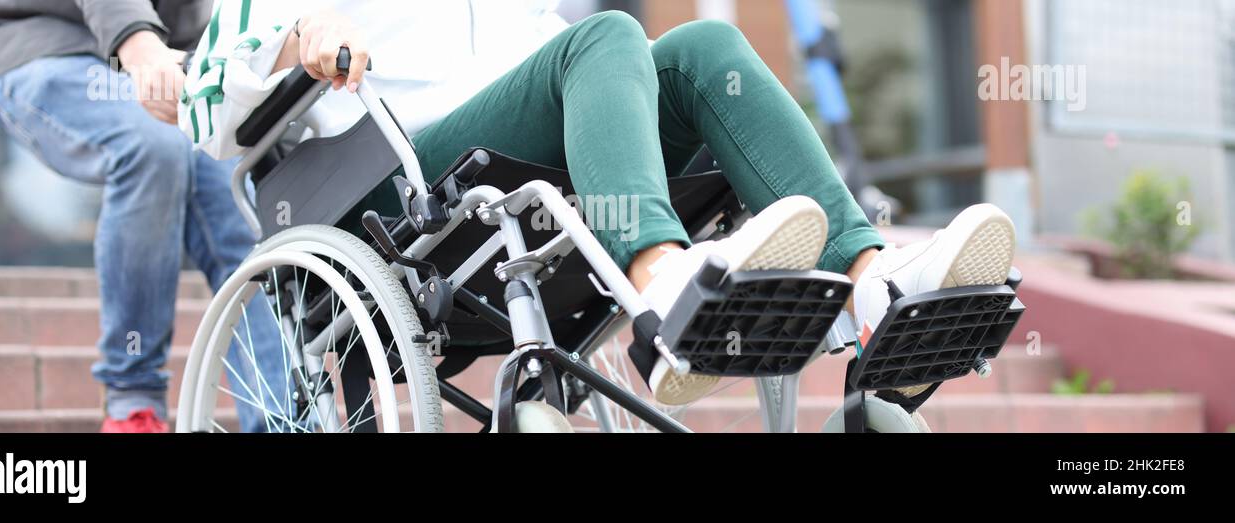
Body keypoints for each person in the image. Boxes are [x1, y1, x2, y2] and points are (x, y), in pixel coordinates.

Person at [181, 1, 1016, 406]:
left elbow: (567, 64)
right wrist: (299, 44)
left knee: (702, 48)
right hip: (391, 180)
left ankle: (872, 285)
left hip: (519, 167)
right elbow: (199, 98)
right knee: (608, 33)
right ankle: (660, 289)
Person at [0, 0, 288, 432]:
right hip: (47, 42)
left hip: (168, 51)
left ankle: (283, 419)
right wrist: (138, 44)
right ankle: (133, 401)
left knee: (237, 204)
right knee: (150, 147)